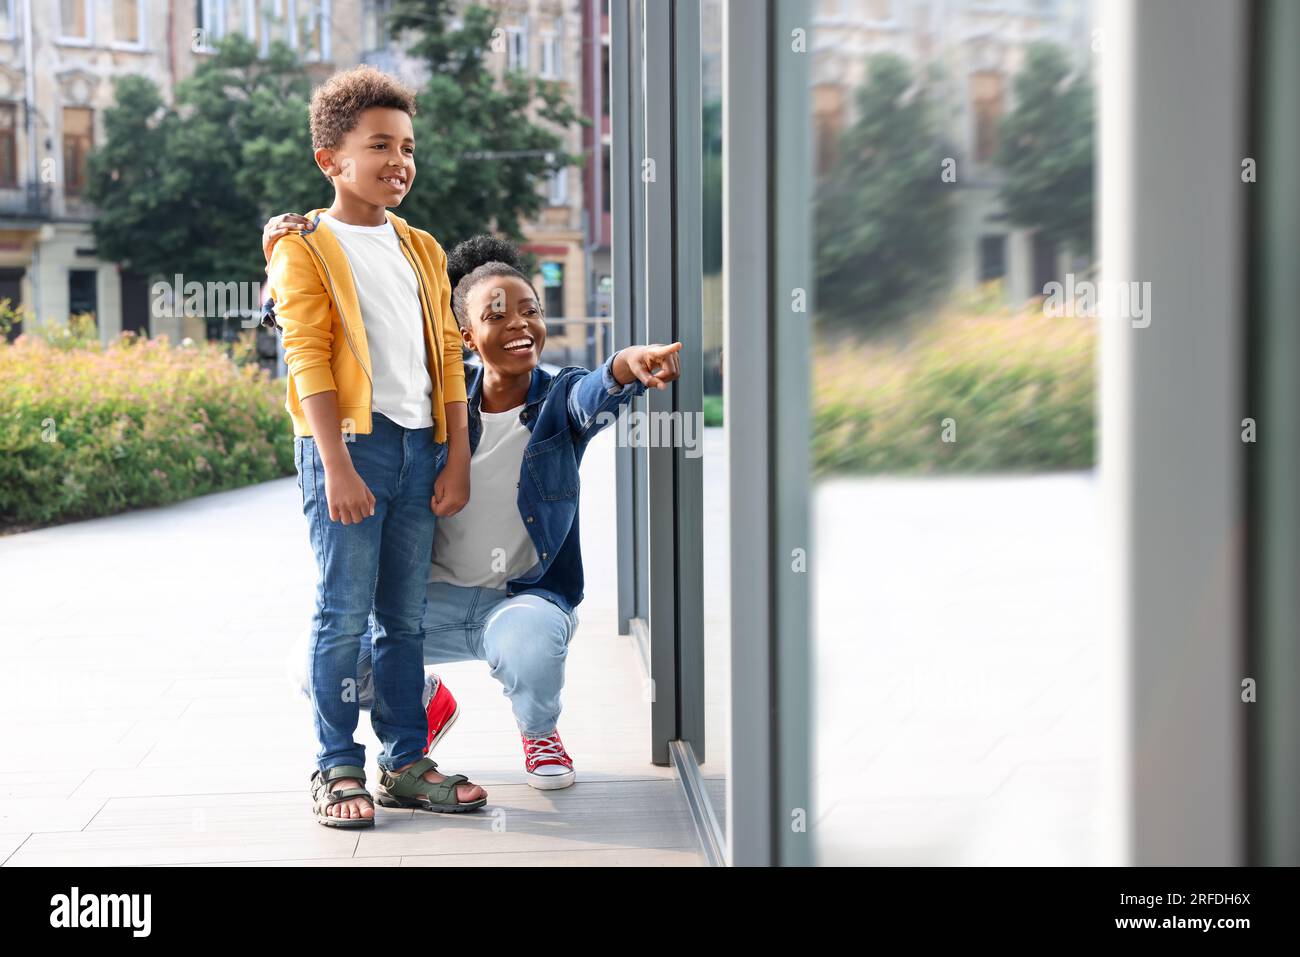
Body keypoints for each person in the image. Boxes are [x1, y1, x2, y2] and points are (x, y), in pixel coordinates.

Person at [265, 221, 681, 790]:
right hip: (421, 606)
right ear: (463, 335)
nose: (519, 325)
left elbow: (594, 395)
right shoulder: (432, 400)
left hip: (519, 600)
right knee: (314, 667)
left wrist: (624, 366)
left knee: (528, 643)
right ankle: (423, 702)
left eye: (530, 310)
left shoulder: (559, 400)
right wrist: (280, 259)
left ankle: (539, 732)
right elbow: (334, 331)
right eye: (496, 315)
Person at [264, 65, 487, 828]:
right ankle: (335, 766)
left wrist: (456, 453)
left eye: (409, 147)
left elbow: (451, 353)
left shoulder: (423, 247)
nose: (400, 161)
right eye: (380, 145)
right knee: (342, 615)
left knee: (405, 619)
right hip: (349, 449)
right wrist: (335, 464)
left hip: (420, 449)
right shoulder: (304, 248)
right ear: (330, 160)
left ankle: (406, 762)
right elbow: (307, 358)